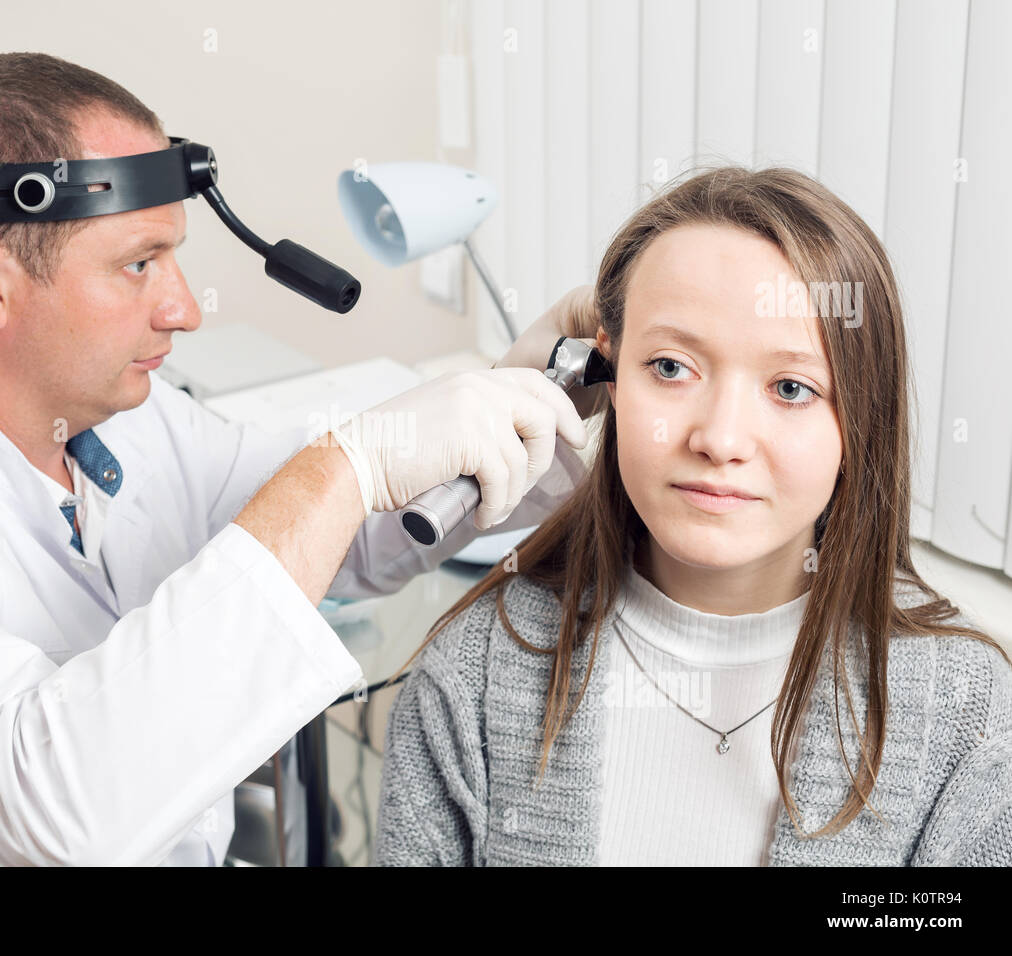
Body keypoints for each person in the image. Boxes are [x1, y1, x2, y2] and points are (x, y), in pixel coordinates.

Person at [0, 52, 596, 866]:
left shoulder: (130, 424)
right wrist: (344, 467)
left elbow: (344, 535)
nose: (183, 310)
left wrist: (524, 395)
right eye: (139, 264)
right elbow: (47, 816)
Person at [374, 165, 1012, 866]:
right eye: (672, 368)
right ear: (605, 377)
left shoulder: (969, 717)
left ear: (860, 421)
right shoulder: (473, 677)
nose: (720, 439)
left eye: (791, 387)